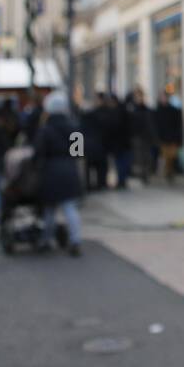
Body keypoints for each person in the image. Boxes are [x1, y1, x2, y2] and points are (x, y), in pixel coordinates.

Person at [35, 91, 83, 257]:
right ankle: (75, 239)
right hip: (70, 170)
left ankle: (47, 240)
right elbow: (78, 153)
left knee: (49, 209)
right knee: (70, 207)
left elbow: (38, 154)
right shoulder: (74, 128)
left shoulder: (45, 130)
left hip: (50, 171)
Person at [153, 88, 184, 184]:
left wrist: (178, 138)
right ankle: (166, 173)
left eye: (165, 97)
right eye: (162, 97)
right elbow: (155, 125)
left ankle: (170, 173)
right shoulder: (157, 111)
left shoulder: (174, 111)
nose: (163, 99)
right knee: (165, 156)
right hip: (162, 138)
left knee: (171, 157)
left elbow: (178, 125)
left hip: (172, 138)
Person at [79, 92, 109, 190]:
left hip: (86, 147)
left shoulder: (81, 120)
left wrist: (77, 152)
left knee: (87, 168)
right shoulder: (99, 117)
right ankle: (101, 184)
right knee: (100, 167)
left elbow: (78, 134)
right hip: (99, 146)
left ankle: (88, 186)